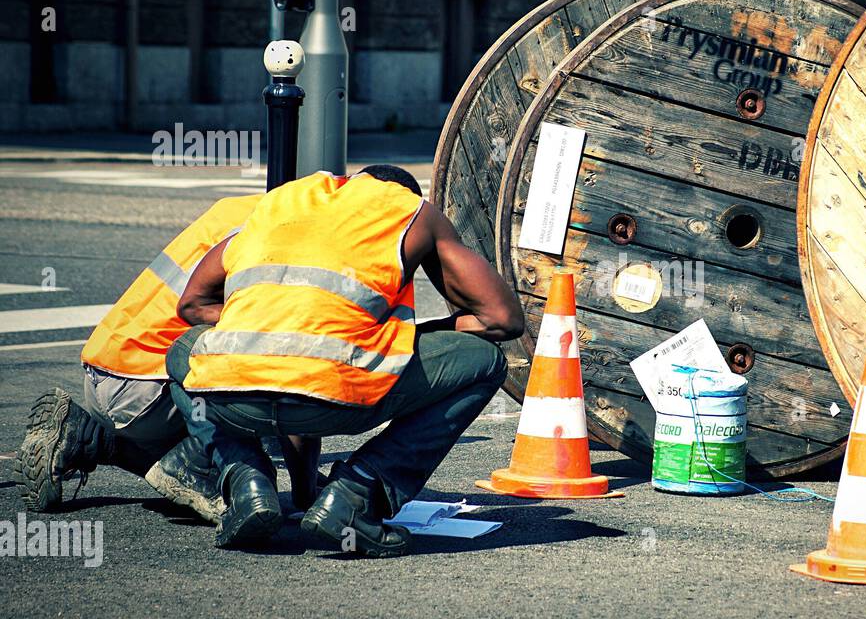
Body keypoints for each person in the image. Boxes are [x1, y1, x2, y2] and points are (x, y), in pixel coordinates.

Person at [167, 164, 524, 557]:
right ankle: (355, 495)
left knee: (182, 352)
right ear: (402, 192)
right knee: (485, 362)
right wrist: (400, 336)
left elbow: (192, 304)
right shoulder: (410, 210)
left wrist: (269, 323)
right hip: (335, 398)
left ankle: (247, 483)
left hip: (233, 397)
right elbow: (502, 319)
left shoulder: (281, 204)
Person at [13, 194, 264, 521]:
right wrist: (302, 493)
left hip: (111, 369)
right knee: (248, 485)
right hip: (149, 389)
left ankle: (86, 435)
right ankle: (195, 466)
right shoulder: (285, 236)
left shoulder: (242, 207)